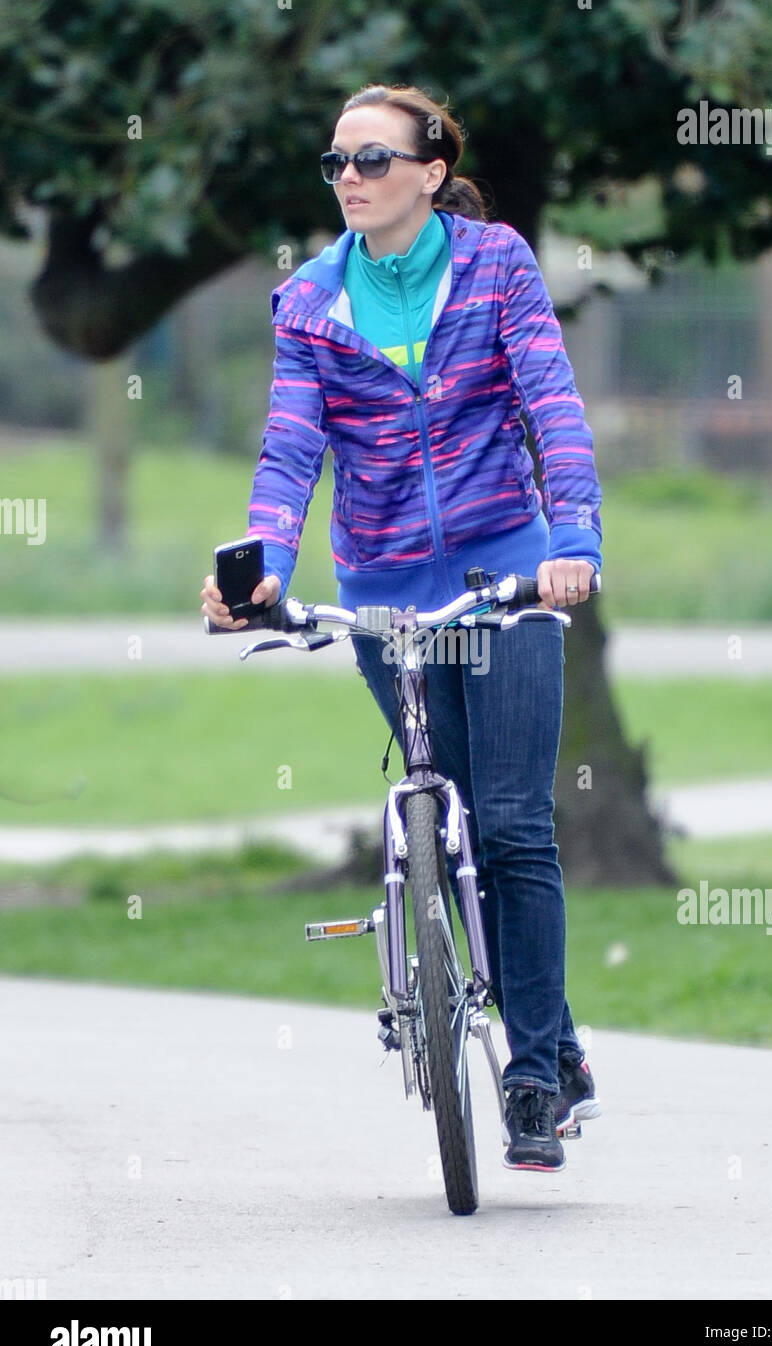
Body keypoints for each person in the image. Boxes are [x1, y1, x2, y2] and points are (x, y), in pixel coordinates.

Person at [201, 83, 603, 1173]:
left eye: (372, 160)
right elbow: (291, 451)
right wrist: (263, 570)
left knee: (513, 822)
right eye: (334, 161)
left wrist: (570, 539)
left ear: (429, 173)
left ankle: (532, 1074)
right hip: (382, 583)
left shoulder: (496, 265)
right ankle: (542, 1036)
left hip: (506, 573)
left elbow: (549, 404)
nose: (348, 179)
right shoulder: (308, 301)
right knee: (453, 805)